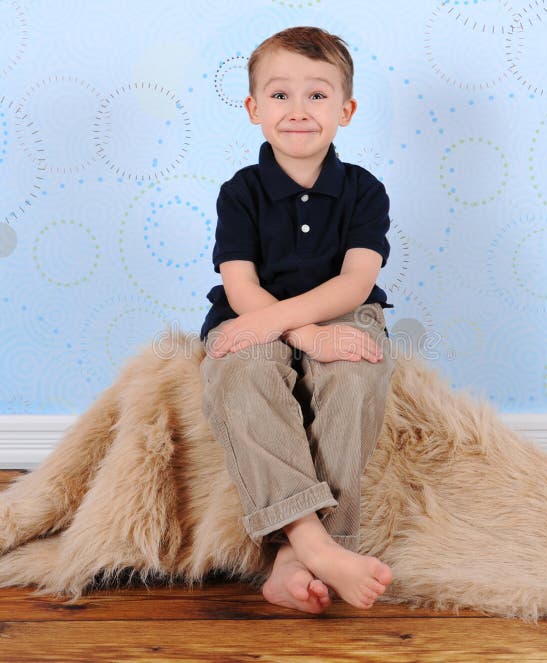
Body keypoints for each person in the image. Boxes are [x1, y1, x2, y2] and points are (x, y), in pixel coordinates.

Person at [199, 26, 395, 614]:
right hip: (251, 313)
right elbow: (241, 286)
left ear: (346, 109)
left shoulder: (365, 190)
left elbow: (355, 281)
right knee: (241, 376)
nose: (298, 111)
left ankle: (292, 561)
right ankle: (318, 543)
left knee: (354, 375)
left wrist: (319, 333)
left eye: (317, 95)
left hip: (345, 312)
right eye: (280, 95)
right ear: (254, 108)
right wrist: (302, 334)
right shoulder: (240, 192)